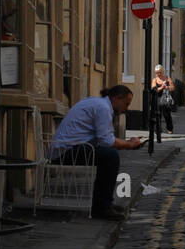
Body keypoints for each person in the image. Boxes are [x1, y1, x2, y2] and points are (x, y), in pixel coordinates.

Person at [49, 86, 143, 220]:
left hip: (65, 149)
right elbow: (106, 141)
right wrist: (129, 144)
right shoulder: (103, 108)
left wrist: (127, 143)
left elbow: (104, 139)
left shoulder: (98, 103)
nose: (127, 108)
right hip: (65, 151)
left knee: (107, 155)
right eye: (126, 104)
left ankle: (103, 203)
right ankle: (102, 207)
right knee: (110, 156)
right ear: (117, 98)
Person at [151, 64, 175, 134]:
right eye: (157, 72)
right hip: (157, 99)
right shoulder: (155, 80)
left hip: (165, 99)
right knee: (157, 115)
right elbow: (154, 90)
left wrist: (167, 87)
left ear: (162, 71)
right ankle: (158, 129)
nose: (158, 74)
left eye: (160, 72)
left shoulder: (167, 78)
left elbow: (173, 88)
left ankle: (170, 128)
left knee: (167, 115)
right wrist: (162, 87)